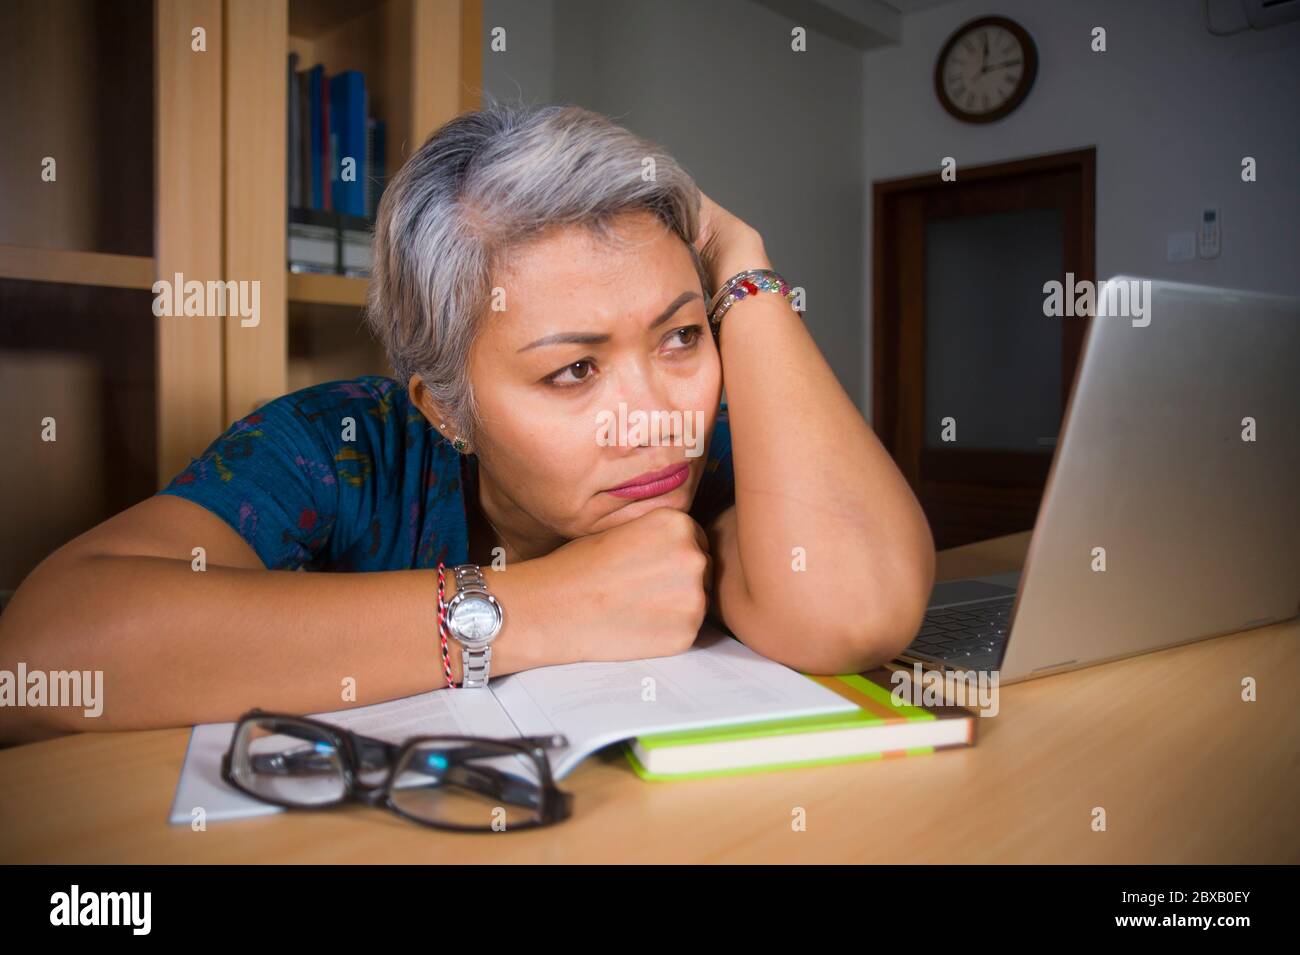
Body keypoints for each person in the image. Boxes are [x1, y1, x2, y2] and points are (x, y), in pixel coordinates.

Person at [0, 100, 934, 744]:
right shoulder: (341, 448)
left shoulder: (725, 435)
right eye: (573, 369)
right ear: (444, 404)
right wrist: (536, 610)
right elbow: (40, 658)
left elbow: (854, 613)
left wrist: (746, 270)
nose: (653, 420)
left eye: (682, 335)